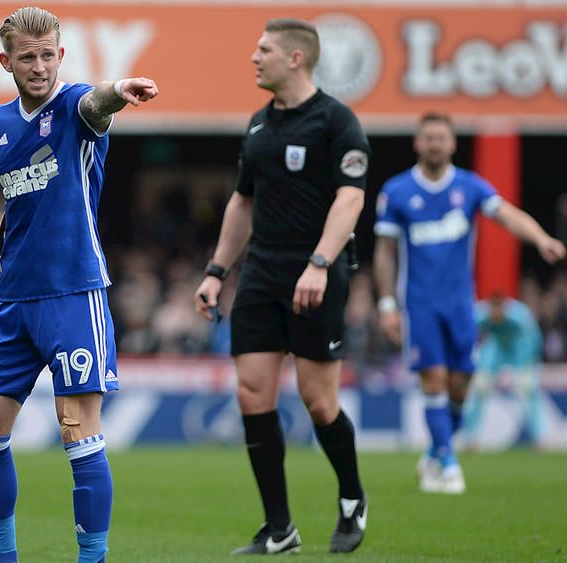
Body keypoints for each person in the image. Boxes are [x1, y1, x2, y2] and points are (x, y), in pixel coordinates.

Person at [0, 7, 158, 563]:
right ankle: (3, 557)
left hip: (73, 294)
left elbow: (98, 100)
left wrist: (119, 89)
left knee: (78, 431)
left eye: (48, 54)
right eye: (27, 56)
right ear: (6, 62)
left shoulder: (76, 108)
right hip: (12, 302)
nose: (40, 65)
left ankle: (90, 560)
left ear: (62, 55)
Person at [195, 17, 370, 555]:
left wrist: (320, 262)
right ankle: (280, 529)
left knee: (319, 402)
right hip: (263, 274)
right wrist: (216, 272)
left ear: (296, 58)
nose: (254, 56)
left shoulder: (336, 121)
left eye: (264, 49)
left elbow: (351, 198)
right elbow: (242, 203)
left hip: (316, 270)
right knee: (252, 393)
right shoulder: (258, 124)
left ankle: (352, 499)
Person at [372, 112, 565, 494]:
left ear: (452, 143)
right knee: (435, 379)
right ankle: (448, 465)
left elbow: (506, 213)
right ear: (417, 142)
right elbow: (385, 252)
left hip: (462, 305)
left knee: (461, 386)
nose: (435, 144)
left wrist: (540, 238)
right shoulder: (396, 191)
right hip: (420, 303)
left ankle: (434, 452)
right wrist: (387, 305)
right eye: (428, 137)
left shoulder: (469, 186)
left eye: (441, 137)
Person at [464, 293, 545, 450]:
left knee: (528, 389)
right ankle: (471, 438)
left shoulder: (520, 315)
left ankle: (539, 438)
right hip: (495, 350)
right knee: (480, 387)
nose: (496, 317)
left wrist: (532, 360)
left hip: (519, 349)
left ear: (504, 309)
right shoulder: (480, 314)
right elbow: (465, 331)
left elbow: (535, 338)